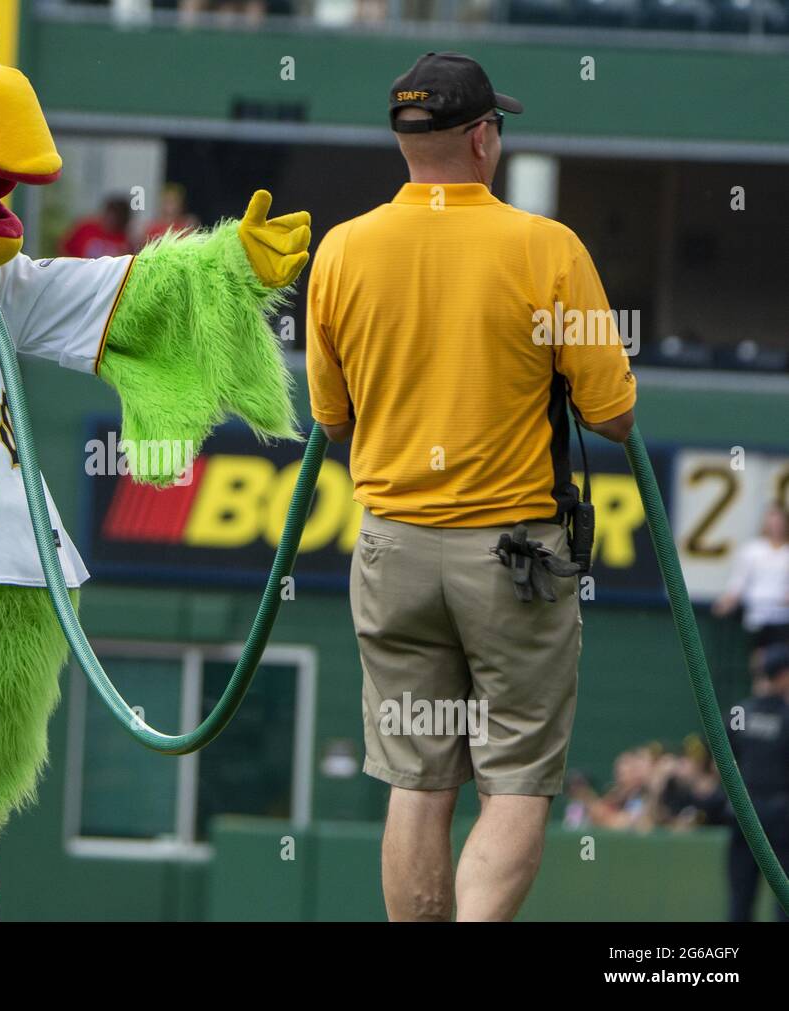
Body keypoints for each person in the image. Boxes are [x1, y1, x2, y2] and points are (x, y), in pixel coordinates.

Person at [306, 52, 637, 921]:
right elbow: (613, 415)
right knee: (516, 777)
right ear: (483, 138)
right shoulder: (548, 249)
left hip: (392, 552)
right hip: (512, 558)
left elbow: (332, 421)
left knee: (417, 777)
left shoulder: (341, 250)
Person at [725, 642, 789, 921]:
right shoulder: (786, 715)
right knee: (784, 900)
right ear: (784, 675)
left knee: (740, 900)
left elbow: (722, 756)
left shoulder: (741, 712)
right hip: (781, 816)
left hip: (743, 812)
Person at [713, 504, 789, 663]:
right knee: (759, 660)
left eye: (779, 522)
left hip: (784, 618)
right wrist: (726, 602)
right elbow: (738, 582)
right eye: (772, 522)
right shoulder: (751, 550)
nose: (775, 527)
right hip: (757, 616)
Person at [60, 195, 135, 258]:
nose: (112, 219)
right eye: (110, 213)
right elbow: (65, 249)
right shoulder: (87, 228)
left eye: (117, 216)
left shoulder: (125, 241)